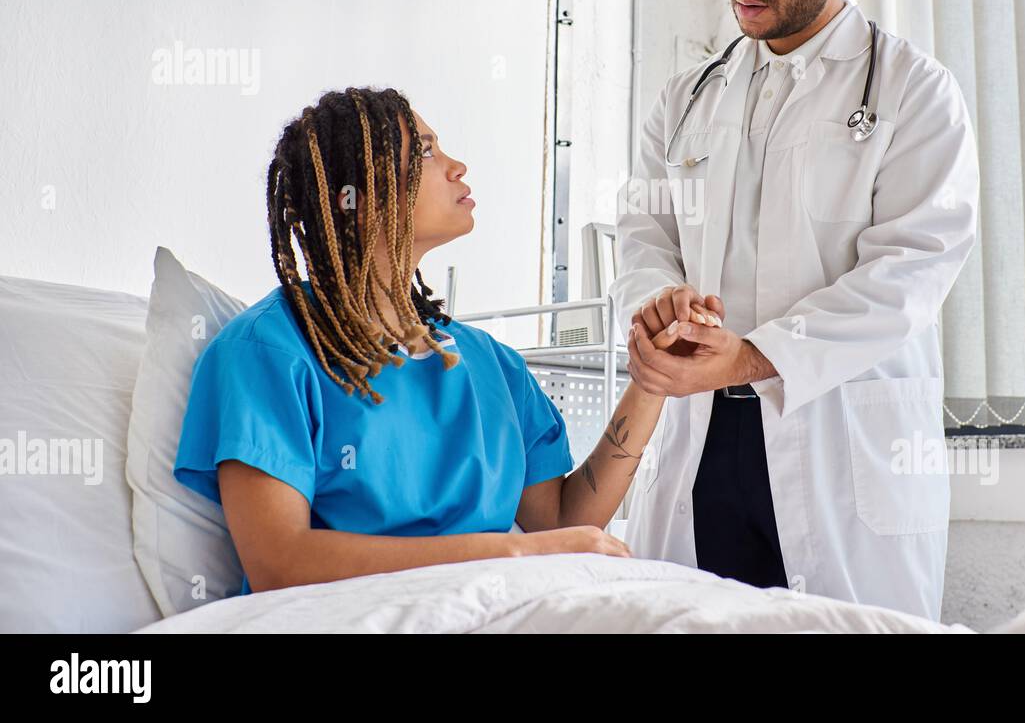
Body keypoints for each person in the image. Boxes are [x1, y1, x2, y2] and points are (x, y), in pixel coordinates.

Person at [610, 0, 980, 619]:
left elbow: (909, 271)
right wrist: (657, 305)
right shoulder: (686, 97)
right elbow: (645, 229)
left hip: (834, 434)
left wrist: (753, 355)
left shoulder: (913, 91)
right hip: (701, 438)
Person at [173, 86, 669, 594]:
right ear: (357, 197)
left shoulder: (491, 364)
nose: (458, 167)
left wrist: (651, 382)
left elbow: (563, 523)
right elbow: (280, 562)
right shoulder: (269, 351)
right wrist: (511, 553)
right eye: (427, 151)